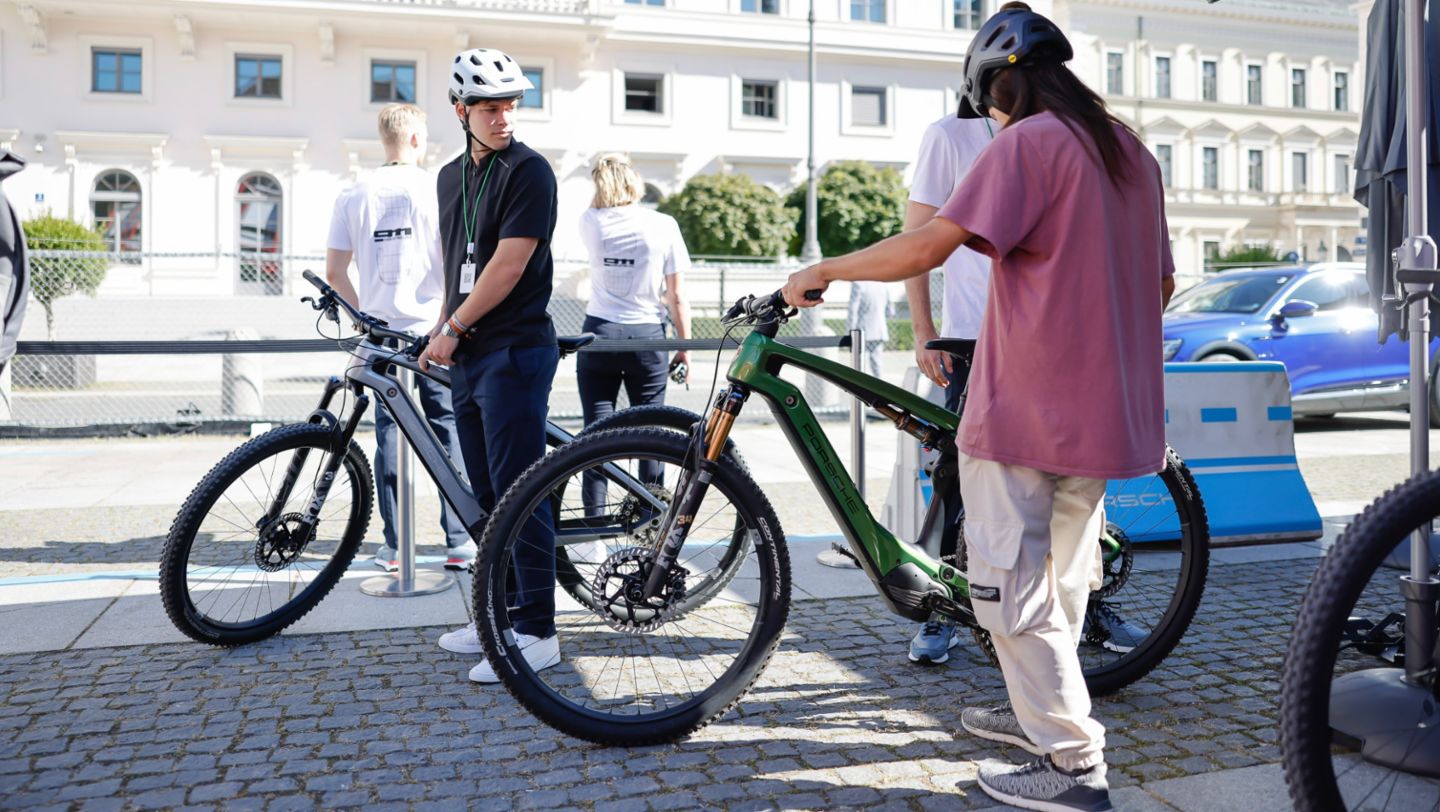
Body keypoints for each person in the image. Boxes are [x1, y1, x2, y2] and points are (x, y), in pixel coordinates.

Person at [781, 8, 1174, 810]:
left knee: (1007, 583)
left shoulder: (1029, 142)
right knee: (1062, 579)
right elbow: (1160, 285)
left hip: (1027, 407)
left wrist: (825, 268)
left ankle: (1070, 766)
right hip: (1108, 413)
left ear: (1003, 86)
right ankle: (1041, 714)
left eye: (989, 103)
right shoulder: (1128, 148)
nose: (989, 119)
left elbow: (926, 244)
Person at [420, 47, 562, 684]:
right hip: (470, 351)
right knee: (484, 495)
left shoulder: (530, 171)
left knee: (520, 493)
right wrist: (441, 324)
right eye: (489, 107)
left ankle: (538, 629)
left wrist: (453, 326)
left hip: (515, 349)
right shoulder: (451, 176)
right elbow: (460, 261)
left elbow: (506, 267)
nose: (503, 117)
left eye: (510, 105)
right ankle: (498, 613)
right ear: (461, 110)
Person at [324, 104, 475, 572]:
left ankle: (395, 546)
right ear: (413, 139)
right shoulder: (435, 187)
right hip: (433, 330)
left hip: (380, 334)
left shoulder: (353, 192)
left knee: (389, 435)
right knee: (449, 431)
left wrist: (363, 317)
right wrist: (448, 321)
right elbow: (456, 264)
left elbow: (334, 272)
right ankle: (461, 539)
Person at [900, 60, 999, 667]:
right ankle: (944, 609)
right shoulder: (950, 135)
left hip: (1047, 340)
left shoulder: (1057, 135)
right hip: (970, 338)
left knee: (1059, 481)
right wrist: (924, 331)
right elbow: (916, 241)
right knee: (956, 479)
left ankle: (1084, 606)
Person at [575, 153, 692, 548]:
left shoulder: (590, 221)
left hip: (601, 334)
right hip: (648, 337)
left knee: (596, 433)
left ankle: (594, 534)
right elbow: (676, 295)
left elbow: (596, 205)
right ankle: (650, 524)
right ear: (635, 183)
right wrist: (684, 348)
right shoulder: (663, 224)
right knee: (651, 434)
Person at [845, 280, 889, 379]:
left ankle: (858, 387)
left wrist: (850, 331)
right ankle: (880, 388)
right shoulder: (882, 284)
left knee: (858, 363)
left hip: (861, 331)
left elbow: (853, 310)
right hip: (879, 329)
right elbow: (890, 310)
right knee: (877, 364)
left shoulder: (858, 284)